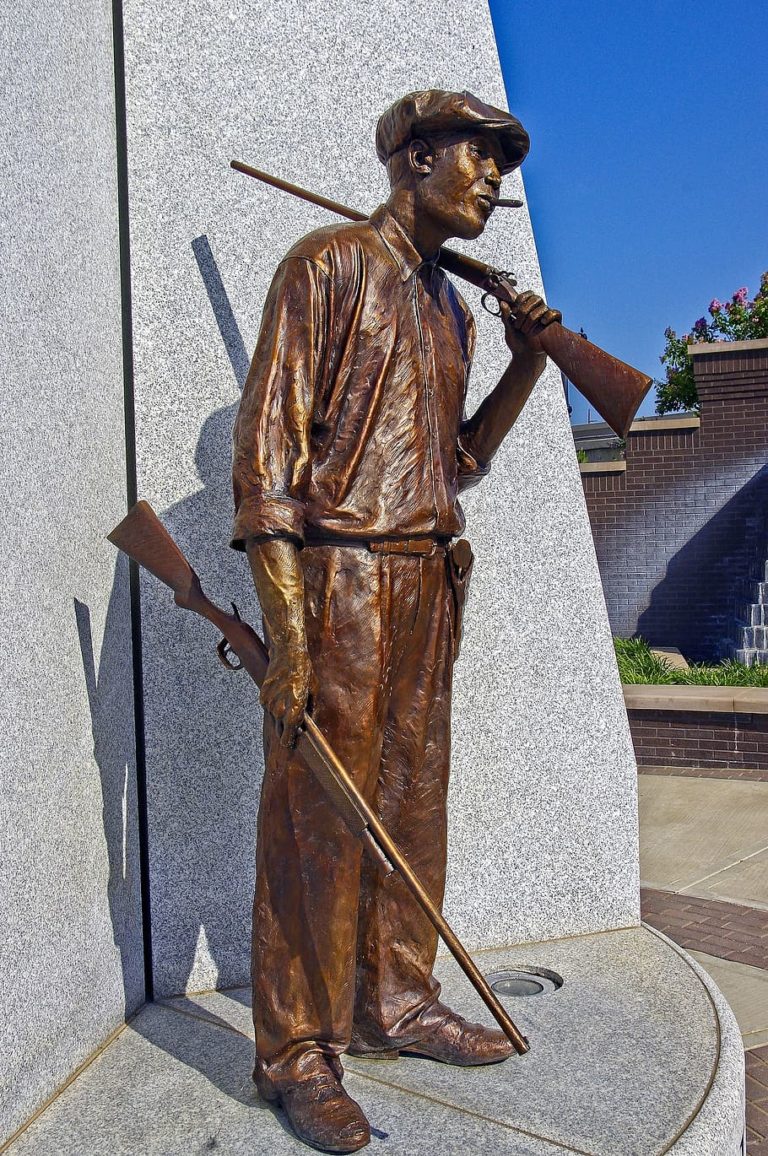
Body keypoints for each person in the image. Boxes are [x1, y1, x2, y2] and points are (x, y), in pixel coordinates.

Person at [231, 89, 560, 1154]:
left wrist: (528, 361)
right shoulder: (325, 265)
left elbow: (459, 462)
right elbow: (268, 464)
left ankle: (395, 1002)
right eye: (476, 161)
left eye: (500, 168)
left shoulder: (449, 306)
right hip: (340, 584)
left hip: (428, 583)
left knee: (413, 806)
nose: (492, 184)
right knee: (316, 821)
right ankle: (294, 1050)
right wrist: (286, 627)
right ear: (414, 158)